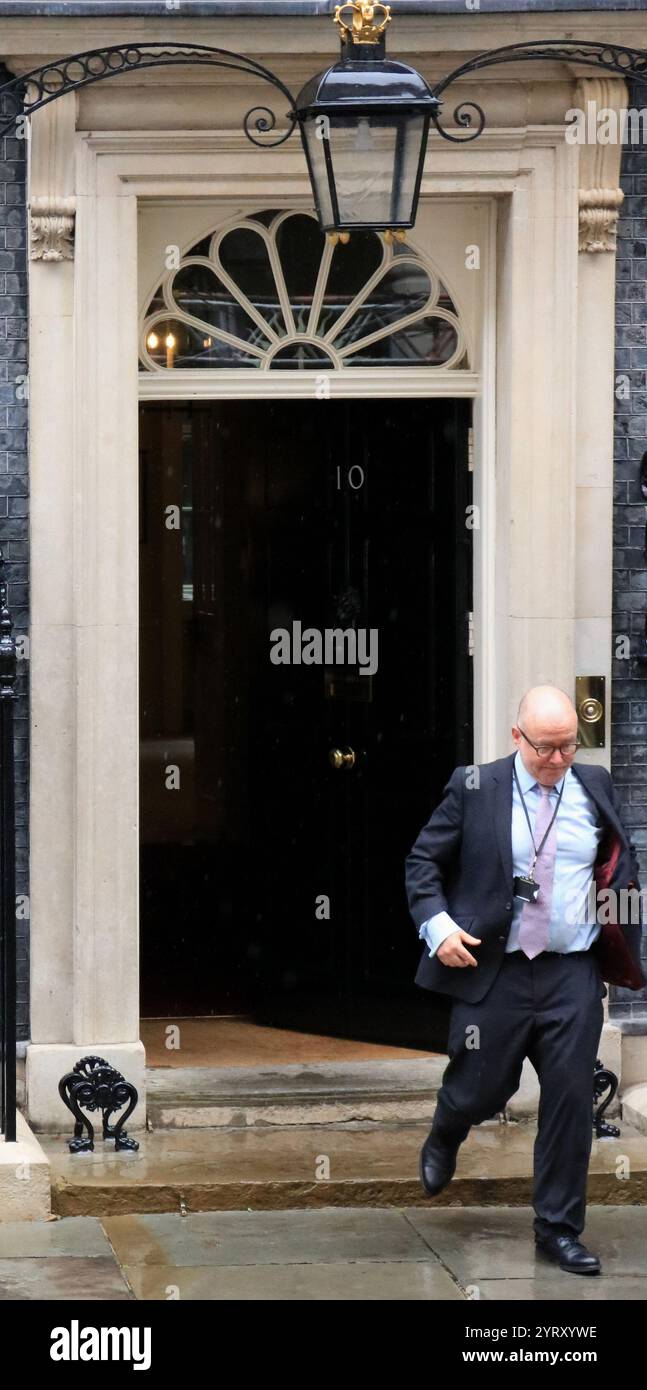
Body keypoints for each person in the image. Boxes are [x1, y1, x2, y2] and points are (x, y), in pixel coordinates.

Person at [405, 685, 646, 1275]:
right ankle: (448, 1125)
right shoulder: (475, 787)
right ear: (517, 738)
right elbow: (422, 861)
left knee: (569, 1102)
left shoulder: (594, 786)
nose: (560, 760)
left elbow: (617, 861)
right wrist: (439, 927)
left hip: (572, 972)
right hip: (498, 971)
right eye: (546, 748)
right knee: (484, 1088)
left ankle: (558, 1229)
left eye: (570, 746)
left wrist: (621, 929)